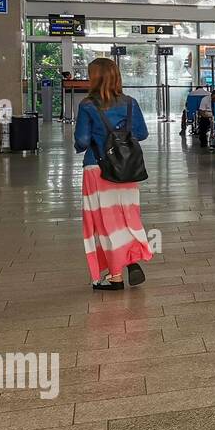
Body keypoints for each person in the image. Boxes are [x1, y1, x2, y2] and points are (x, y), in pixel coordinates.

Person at [73, 57, 153, 291]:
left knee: (105, 223)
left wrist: (83, 144)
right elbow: (142, 133)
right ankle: (130, 258)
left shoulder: (88, 105)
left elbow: (82, 140)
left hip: (98, 168)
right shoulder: (130, 102)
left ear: (94, 78)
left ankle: (115, 276)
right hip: (127, 169)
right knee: (127, 218)